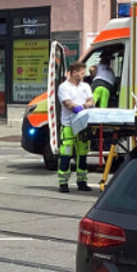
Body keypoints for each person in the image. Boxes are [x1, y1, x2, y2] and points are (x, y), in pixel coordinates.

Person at [57, 62, 95, 193]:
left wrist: (83, 106)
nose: (84, 76)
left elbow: (91, 101)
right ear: (74, 73)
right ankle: (63, 182)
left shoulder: (85, 86)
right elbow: (68, 104)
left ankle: (82, 182)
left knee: (83, 155)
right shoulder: (64, 87)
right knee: (66, 155)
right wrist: (81, 106)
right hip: (68, 125)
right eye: (82, 73)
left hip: (83, 125)